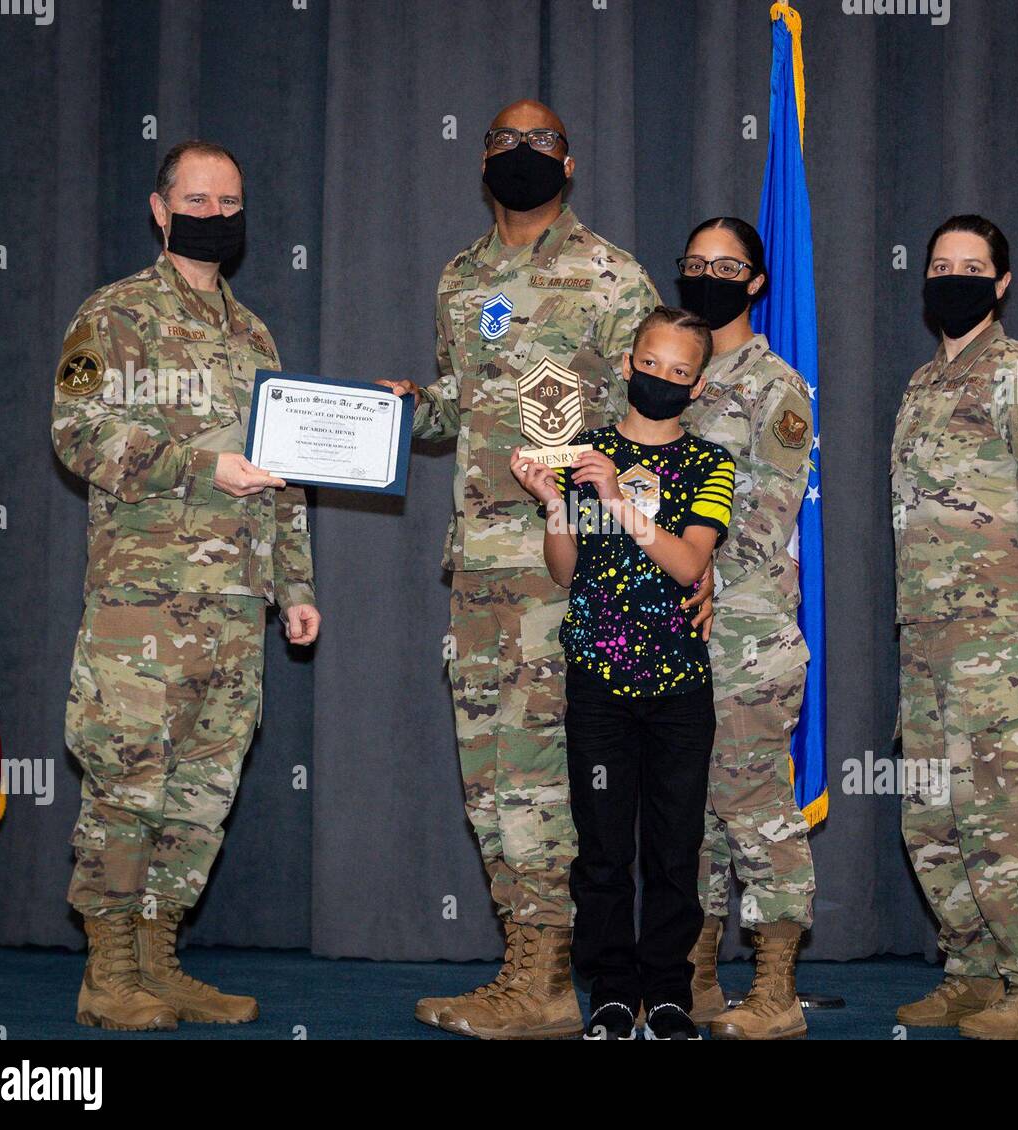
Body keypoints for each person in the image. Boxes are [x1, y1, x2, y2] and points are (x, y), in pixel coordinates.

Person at [377, 100, 658, 1039]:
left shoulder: (614, 275)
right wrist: (400, 412)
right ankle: (520, 966)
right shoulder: (461, 276)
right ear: (482, 162)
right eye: (505, 142)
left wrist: (626, 548)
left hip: (560, 566)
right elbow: (459, 405)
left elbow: (647, 423)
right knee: (490, 775)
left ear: (569, 164)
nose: (522, 156)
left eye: (540, 143)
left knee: (537, 773)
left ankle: (545, 984)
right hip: (477, 569)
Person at [52, 140, 319, 1031]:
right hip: (143, 605)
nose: (215, 214)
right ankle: (110, 969)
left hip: (237, 608)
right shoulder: (115, 315)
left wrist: (297, 587)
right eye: (197, 200)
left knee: (203, 793)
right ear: (161, 210)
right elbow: (80, 434)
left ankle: (160, 960)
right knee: (129, 785)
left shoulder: (256, 336)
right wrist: (208, 473)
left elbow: (285, 475)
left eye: (230, 200)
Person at [892, 214, 1018, 1040]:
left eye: (971, 266)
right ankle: (973, 972)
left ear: (1001, 282)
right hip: (928, 643)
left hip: (1002, 643)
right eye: (940, 264)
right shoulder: (920, 385)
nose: (953, 276)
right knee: (933, 815)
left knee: (1012, 819)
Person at [511, 306, 735, 1040]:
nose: (661, 380)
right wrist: (555, 504)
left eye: (678, 372)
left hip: (677, 685)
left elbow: (689, 562)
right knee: (602, 846)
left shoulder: (709, 464)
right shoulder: (587, 452)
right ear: (629, 363)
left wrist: (617, 500)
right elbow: (566, 571)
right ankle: (609, 989)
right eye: (651, 365)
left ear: (697, 385)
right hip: (600, 681)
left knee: (674, 848)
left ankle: (668, 993)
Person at [673, 217, 817, 1039]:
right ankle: (693, 976)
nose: (710, 276)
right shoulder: (669, 374)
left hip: (745, 630)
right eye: (695, 265)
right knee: (687, 813)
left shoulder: (774, 387)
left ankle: (776, 987)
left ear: (757, 283)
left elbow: (767, 514)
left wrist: (696, 573)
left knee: (752, 806)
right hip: (673, 628)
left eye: (728, 266)